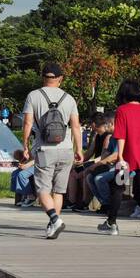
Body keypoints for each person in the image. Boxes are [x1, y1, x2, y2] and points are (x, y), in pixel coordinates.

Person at [22, 62, 84, 240]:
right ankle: (53, 225)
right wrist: (78, 149)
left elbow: (27, 123)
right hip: (65, 150)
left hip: (44, 150)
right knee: (58, 191)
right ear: (60, 79)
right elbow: (76, 126)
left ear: (43, 77)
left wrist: (25, 145)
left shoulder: (33, 96)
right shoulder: (69, 98)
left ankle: (55, 219)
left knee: (42, 190)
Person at [102, 80, 140, 238]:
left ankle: (112, 224)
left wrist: (120, 157)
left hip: (127, 156)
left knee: (118, 188)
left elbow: (120, 135)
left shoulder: (122, 110)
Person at [66, 113, 114, 211]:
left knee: (86, 173)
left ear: (93, 124)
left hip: (102, 164)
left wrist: (88, 165)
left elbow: (103, 157)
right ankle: (71, 201)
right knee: (73, 171)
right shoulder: (97, 136)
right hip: (95, 162)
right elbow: (89, 152)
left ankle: (85, 203)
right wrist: (79, 161)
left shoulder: (108, 137)